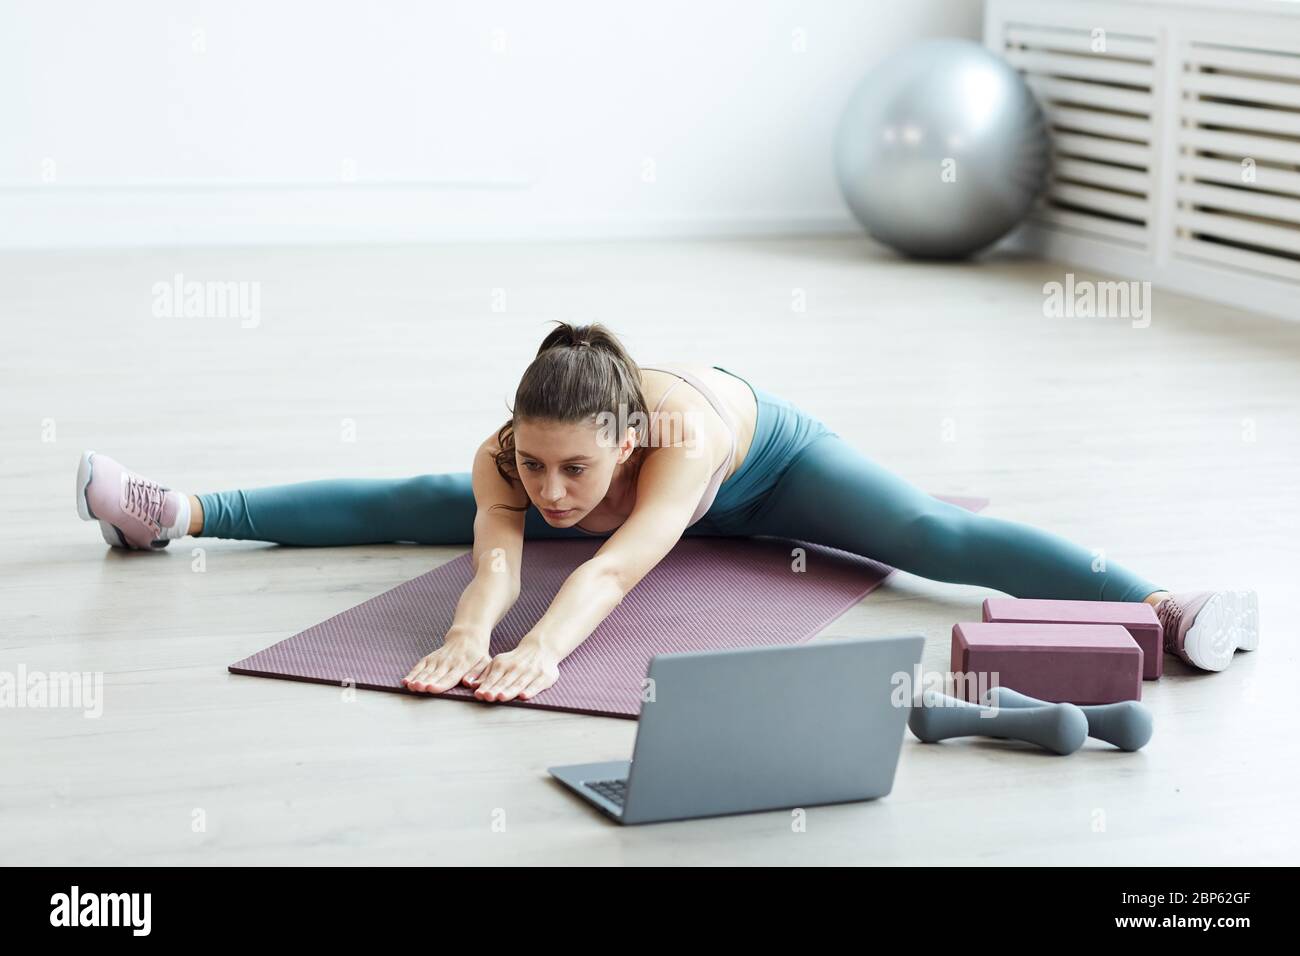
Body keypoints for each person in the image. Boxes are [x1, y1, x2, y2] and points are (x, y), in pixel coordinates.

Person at [74, 321, 1259, 701]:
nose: (545, 491)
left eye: (571, 473)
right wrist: (459, 636)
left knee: (924, 539)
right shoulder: (516, 456)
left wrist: (535, 657)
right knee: (417, 498)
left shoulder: (678, 442)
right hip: (662, 483)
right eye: (532, 466)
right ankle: (177, 509)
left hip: (767, 467)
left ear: (626, 440)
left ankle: (1164, 592)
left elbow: (602, 576)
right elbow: (492, 560)